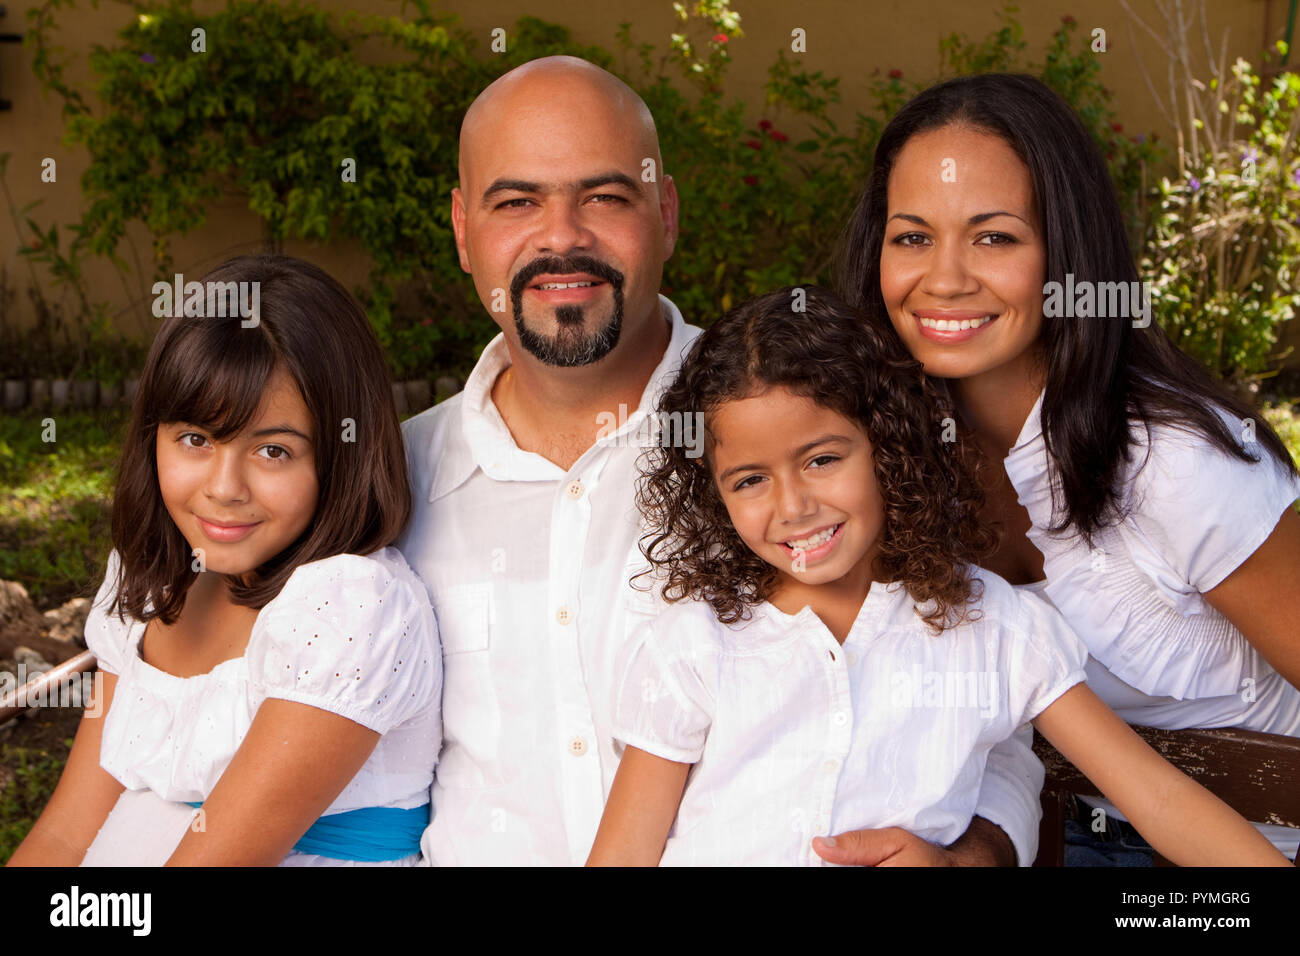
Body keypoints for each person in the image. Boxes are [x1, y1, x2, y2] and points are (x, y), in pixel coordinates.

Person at [398, 55, 1044, 866]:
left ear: (666, 215)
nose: (561, 235)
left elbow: (982, 696)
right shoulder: (392, 482)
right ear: (464, 229)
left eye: (605, 197)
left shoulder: (810, 436)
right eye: (517, 201)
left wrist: (971, 857)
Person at [584, 286, 1289, 866]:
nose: (792, 507)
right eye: (749, 479)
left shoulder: (996, 628)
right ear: (713, 493)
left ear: (888, 447)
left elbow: (1156, 797)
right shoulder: (694, 645)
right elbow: (622, 856)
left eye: (823, 459)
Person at [837, 72, 1300, 860]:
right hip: (1053, 837)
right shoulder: (876, 454)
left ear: (1067, 255)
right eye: (912, 237)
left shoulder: (1177, 463)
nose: (944, 279)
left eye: (995, 237)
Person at [7, 255, 441, 867]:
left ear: (341, 455)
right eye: (196, 440)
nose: (225, 488)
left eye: (273, 451)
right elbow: (64, 835)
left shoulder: (349, 609)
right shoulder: (152, 584)